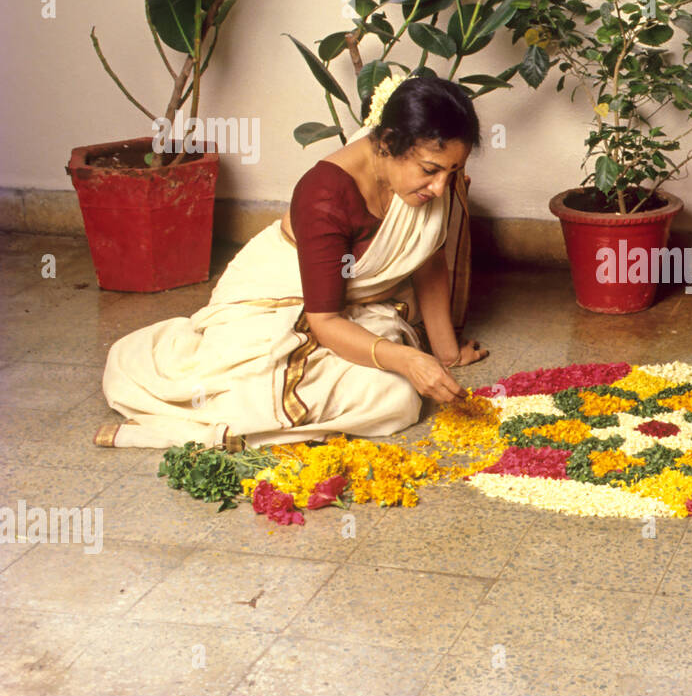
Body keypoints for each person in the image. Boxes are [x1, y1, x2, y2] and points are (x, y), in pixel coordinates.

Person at [96, 73, 489, 450]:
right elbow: (326, 320)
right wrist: (407, 359)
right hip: (273, 307)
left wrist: (445, 353)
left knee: (392, 397)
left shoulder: (429, 171)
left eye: (450, 171)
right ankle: (213, 423)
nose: (440, 187)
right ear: (388, 141)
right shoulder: (324, 195)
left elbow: (427, 252)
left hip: (347, 308)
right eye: (430, 171)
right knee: (397, 397)